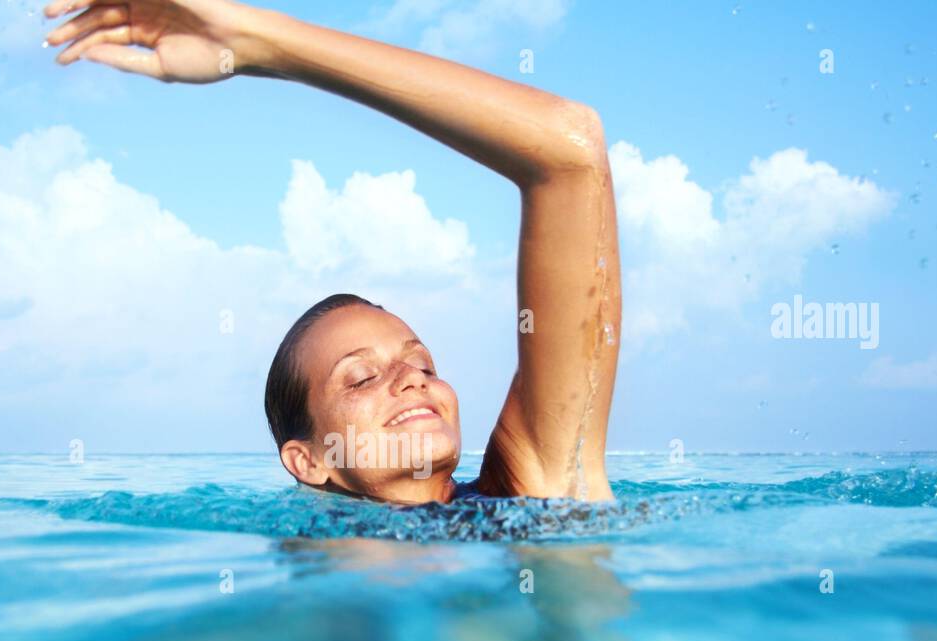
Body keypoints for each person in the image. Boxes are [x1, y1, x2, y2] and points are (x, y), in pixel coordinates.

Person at [45, 0, 621, 504]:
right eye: (361, 378)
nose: (412, 380)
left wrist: (264, 45)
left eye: (423, 365)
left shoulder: (533, 489)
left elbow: (569, 152)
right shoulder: (305, 580)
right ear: (308, 462)